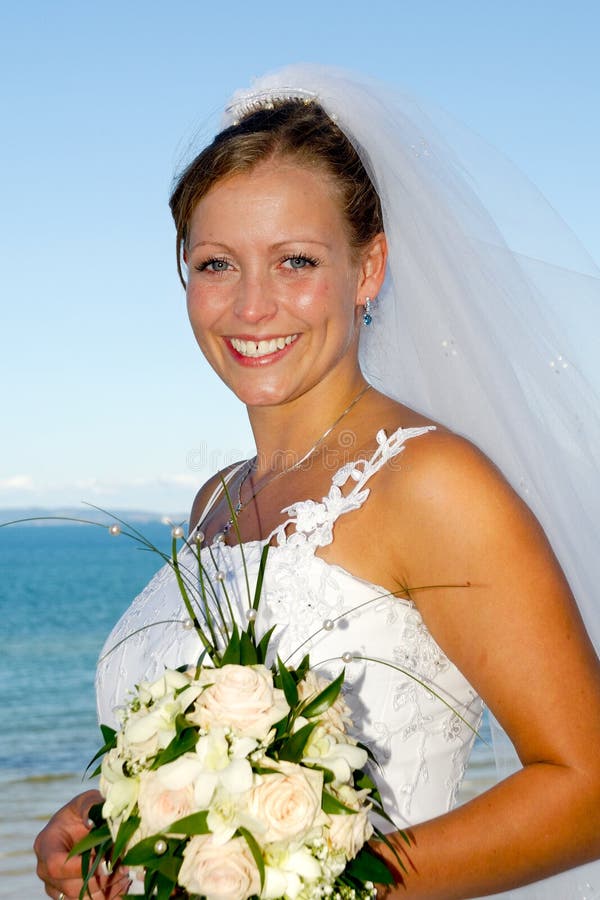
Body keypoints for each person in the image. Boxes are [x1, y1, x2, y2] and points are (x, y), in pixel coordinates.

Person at [34, 66, 600, 900]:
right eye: (217, 264)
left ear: (368, 270)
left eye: (295, 260)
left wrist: (322, 884)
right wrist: (110, 826)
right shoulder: (216, 502)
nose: (252, 307)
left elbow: (586, 789)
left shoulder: (430, 483)